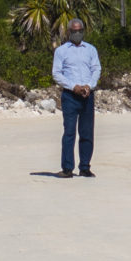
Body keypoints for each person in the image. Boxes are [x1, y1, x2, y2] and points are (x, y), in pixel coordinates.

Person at [53, 19, 101, 178]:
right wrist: (73, 86)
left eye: (80, 30)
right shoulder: (61, 51)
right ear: (69, 32)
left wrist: (89, 85)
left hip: (87, 95)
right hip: (70, 96)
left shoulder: (91, 50)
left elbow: (96, 69)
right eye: (74, 31)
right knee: (69, 132)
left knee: (87, 132)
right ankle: (67, 168)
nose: (77, 33)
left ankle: (85, 166)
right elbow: (57, 73)